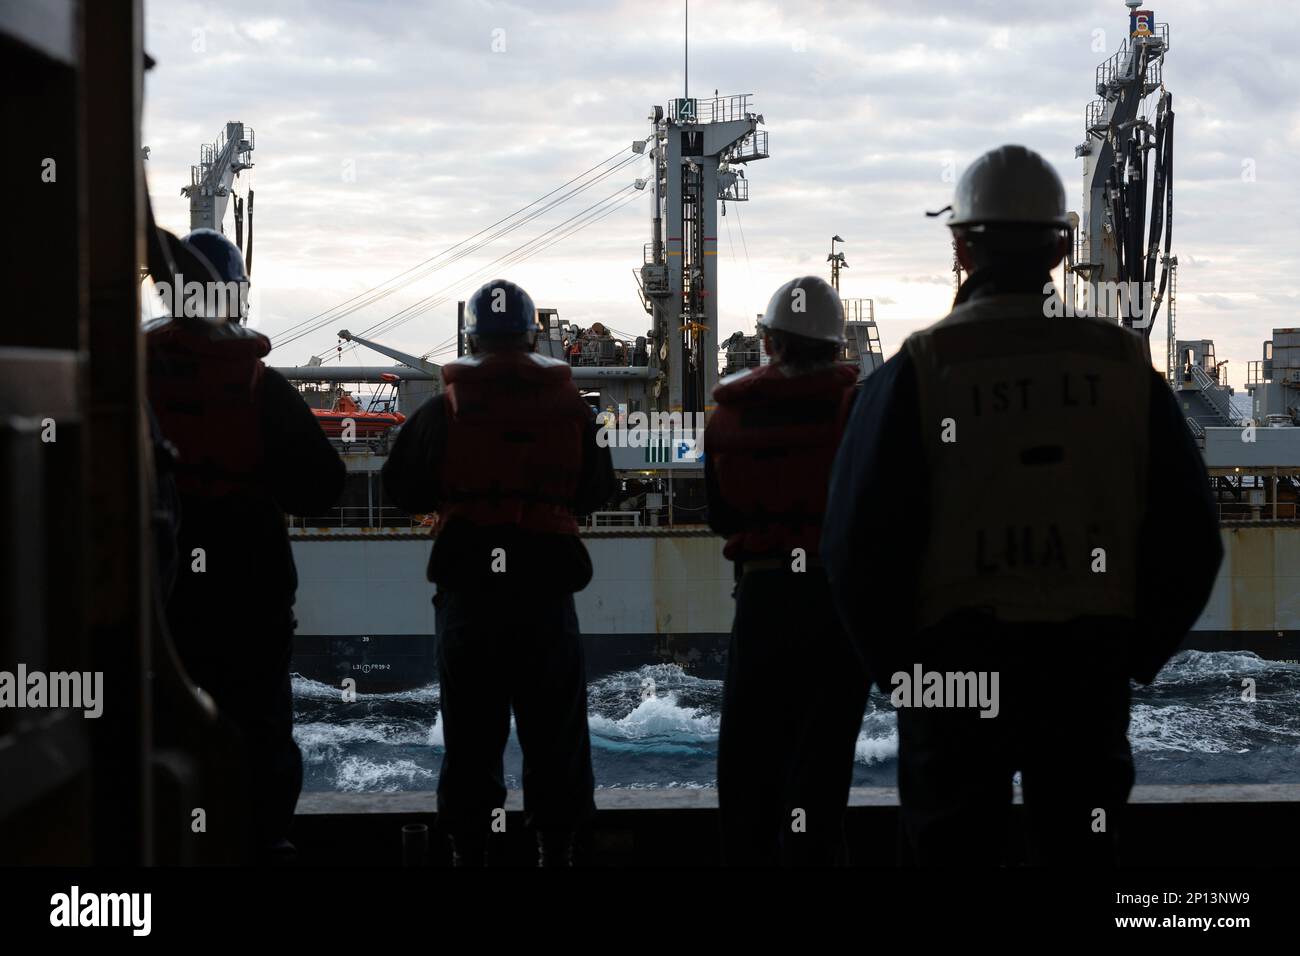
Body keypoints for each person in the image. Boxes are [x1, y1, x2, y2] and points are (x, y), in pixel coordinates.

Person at [821, 145, 1223, 866]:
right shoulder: (1125, 370)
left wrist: (903, 673)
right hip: (1084, 665)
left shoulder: (918, 370)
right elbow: (1194, 535)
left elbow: (854, 544)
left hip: (952, 665)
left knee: (953, 857)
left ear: (960, 245)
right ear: (1064, 246)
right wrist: (1130, 653)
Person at [381, 278, 615, 867]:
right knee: (556, 736)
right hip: (544, 596)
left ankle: (468, 851)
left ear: (472, 338)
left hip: (470, 598)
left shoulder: (443, 408)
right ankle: (556, 850)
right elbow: (596, 489)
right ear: (534, 336)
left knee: (469, 738)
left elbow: (402, 488)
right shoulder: (571, 409)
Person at [146, 227, 345, 862]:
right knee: (259, 722)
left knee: (158, 718)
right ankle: (265, 841)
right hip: (248, 587)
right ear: (235, 298)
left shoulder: (130, 380)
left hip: (157, 588)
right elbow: (323, 487)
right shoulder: (261, 389)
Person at [704, 276, 869, 866]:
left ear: (769, 342)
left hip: (765, 595)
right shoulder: (862, 409)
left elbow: (719, 515)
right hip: (837, 604)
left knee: (748, 767)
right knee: (823, 770)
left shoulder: (727, 416)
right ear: (838, 343)